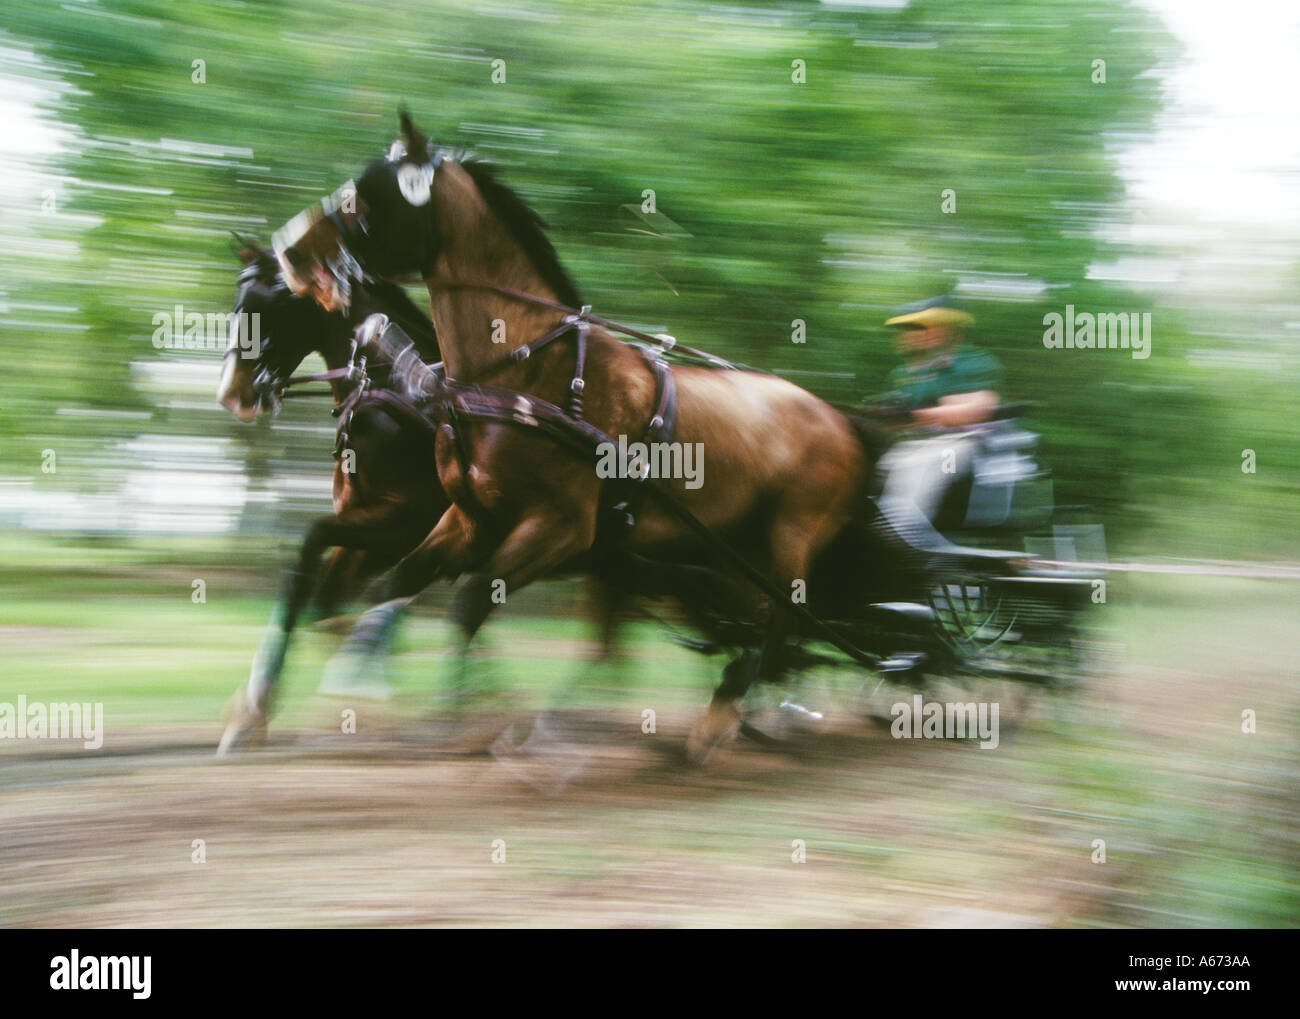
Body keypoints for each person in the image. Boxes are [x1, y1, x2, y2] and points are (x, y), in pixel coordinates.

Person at [876, 295, 1003, 528]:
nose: (909, 334)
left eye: (918, 327)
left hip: (960, 444)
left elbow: (978, 408)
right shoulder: (900, 375)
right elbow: (891, 423)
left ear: (946, 329)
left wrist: (919, 416)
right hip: (910, 444)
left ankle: (901, 532)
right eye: (906, 329)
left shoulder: (972, 362)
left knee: (924, 463)